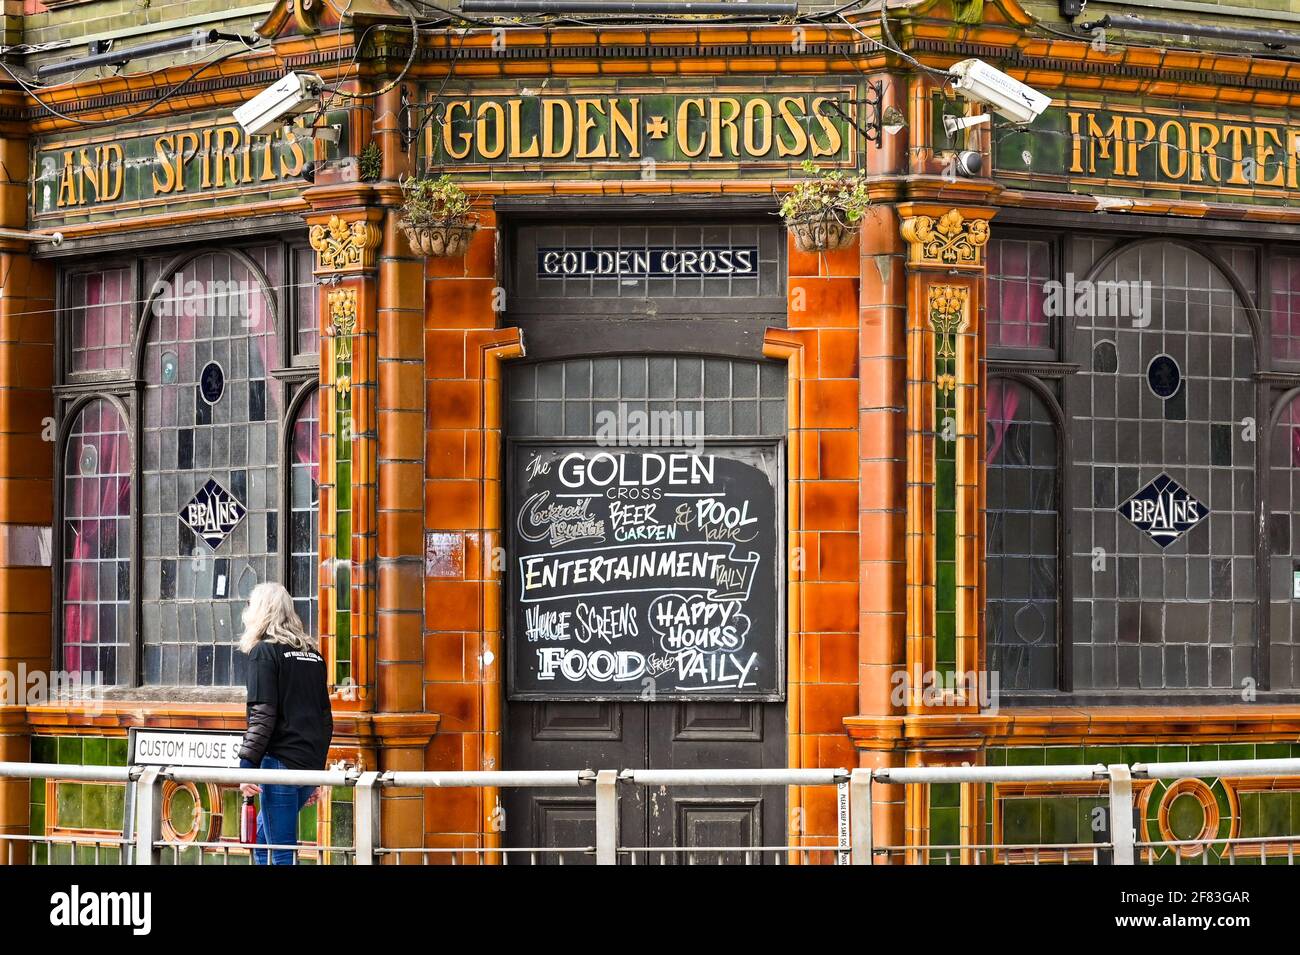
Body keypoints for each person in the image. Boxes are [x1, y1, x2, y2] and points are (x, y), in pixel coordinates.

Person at [236, 582, 333, 865]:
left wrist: (246, 768)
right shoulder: (313, 655)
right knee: (264, 845)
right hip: (308, 764)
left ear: (262, 612)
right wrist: (317, 772)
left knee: (280, 853)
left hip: (278, 764)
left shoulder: (264, 653)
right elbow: (324, 717)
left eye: (251, 606)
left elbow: (262, 716)